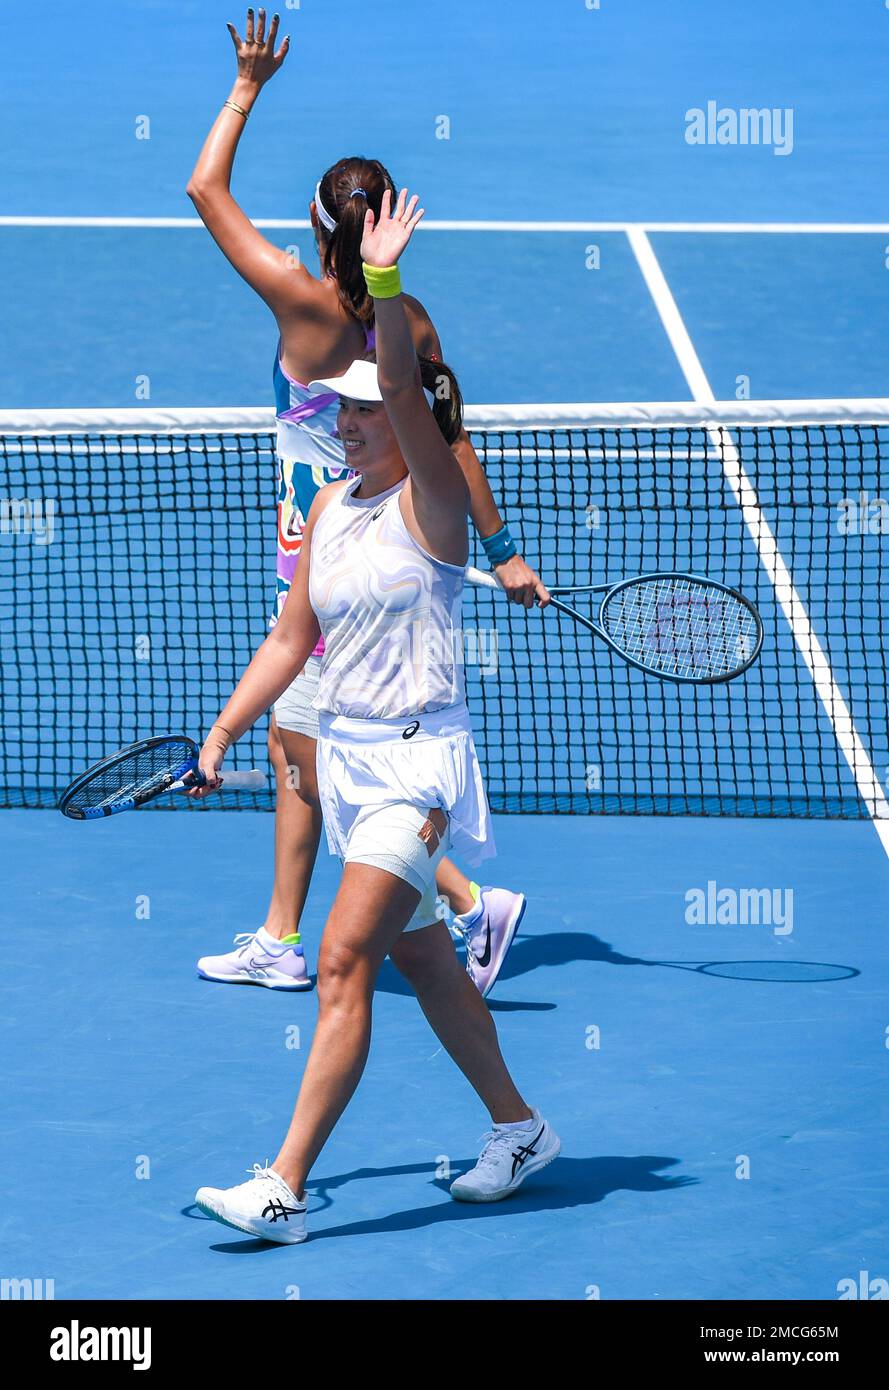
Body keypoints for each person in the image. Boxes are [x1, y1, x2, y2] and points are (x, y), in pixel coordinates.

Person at [193, 191, 560, 1241]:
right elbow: (286, 642)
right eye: (338, 411)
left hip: (415, 772)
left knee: (343, 959)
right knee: (427, 963)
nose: (341, 421)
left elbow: (402, 383)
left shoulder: (429, 502)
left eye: (356, 413)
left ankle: (283, 1184)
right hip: (346, 773)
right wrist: (223, 733)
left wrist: (385, 282)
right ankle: (519, 1125)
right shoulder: (326, 508)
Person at [186, 7, 547, 996]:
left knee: (319, 746)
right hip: (394, 541)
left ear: (317, 223)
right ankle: (282, 933)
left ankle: (470, 904)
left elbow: (202, 189)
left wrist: (247, 88)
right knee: (297, 744)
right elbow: (450, 437)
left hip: (328, 559)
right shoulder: (410, 318)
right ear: (387, 223)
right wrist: (502, 545)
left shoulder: (298, 303)